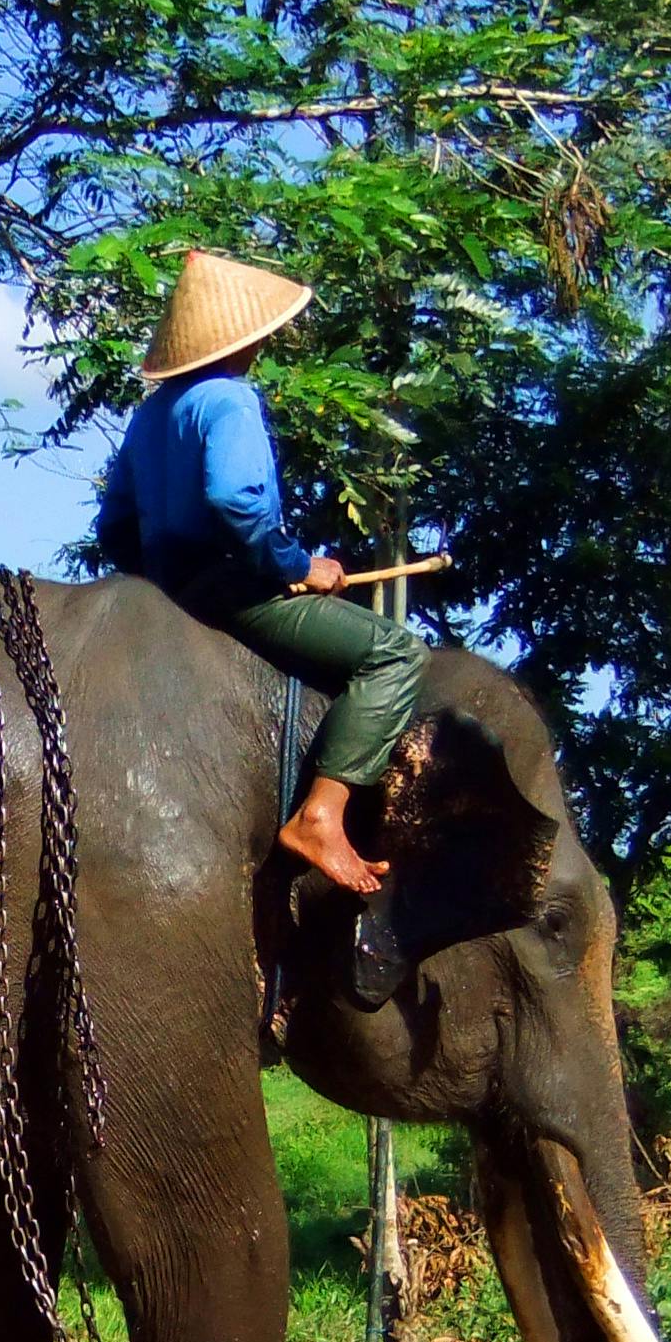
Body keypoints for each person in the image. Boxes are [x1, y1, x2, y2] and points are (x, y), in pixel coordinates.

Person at [95, 248, 426, 896]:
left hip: (172, 592)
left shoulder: (150, 415)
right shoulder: (230, 398)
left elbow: (113, 529)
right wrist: (298, 565)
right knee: (395, 654)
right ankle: (320, 817)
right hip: (236, 591)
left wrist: (160, 589)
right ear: (241, 338)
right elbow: (234, 500)